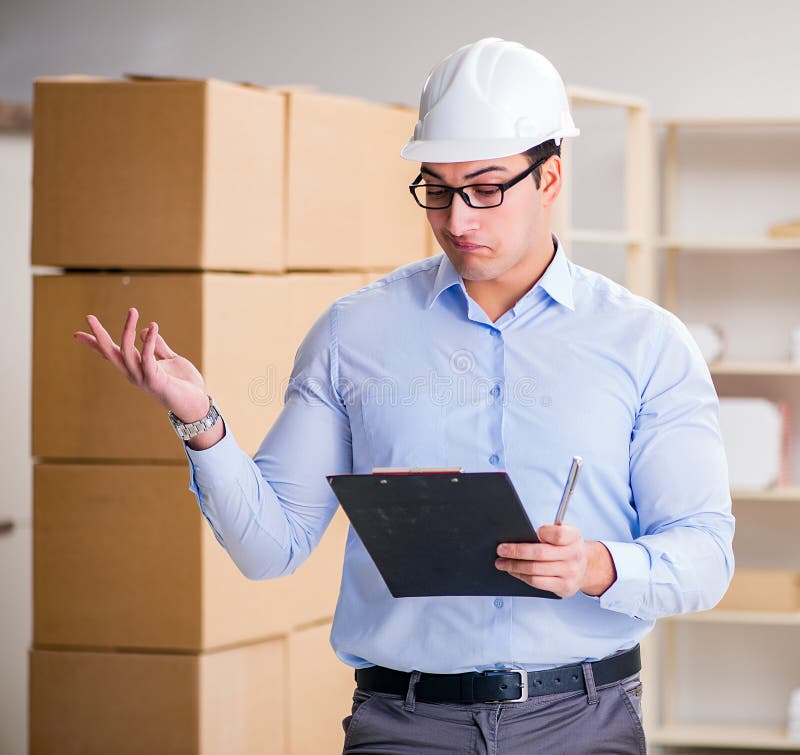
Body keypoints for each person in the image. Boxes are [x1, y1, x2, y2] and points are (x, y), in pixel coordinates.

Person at [75, 37, 734, 754]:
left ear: (549, 178)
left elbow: (704, 554)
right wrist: (198, 418)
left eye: (485, 189)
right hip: (406, 726)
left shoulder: (647, 343)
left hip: (582, 720)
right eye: (438, 189)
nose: (457, 219)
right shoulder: (354, 332)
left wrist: (599, 566)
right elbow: (271, 547)